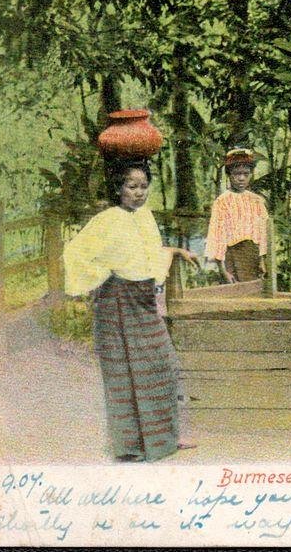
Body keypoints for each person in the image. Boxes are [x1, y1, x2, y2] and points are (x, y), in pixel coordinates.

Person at [63, 159, 199, 462]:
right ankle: (130, 447)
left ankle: (163, 440)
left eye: (143, 186)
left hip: (142, 299)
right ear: (119, 188)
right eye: (131, 186)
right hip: (115, 300)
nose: (139, 192)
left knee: (160, 365)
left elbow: (146, 255)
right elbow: (74, 253)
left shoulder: (146, 216)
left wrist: (175, 251)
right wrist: (103, 275)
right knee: (123, 370)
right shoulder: (108, 219)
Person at [204, 148, 269, 283]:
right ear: (229, 175)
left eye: (246, 174)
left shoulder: (257, 201)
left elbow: (262, 233)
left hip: (253, 257)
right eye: (237, 174)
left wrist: (262, 260)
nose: (241, 178)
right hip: (232, 256)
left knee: (254, 296)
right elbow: (216, 237)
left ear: (251, 174)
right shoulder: (222, 202)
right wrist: (223, 270)